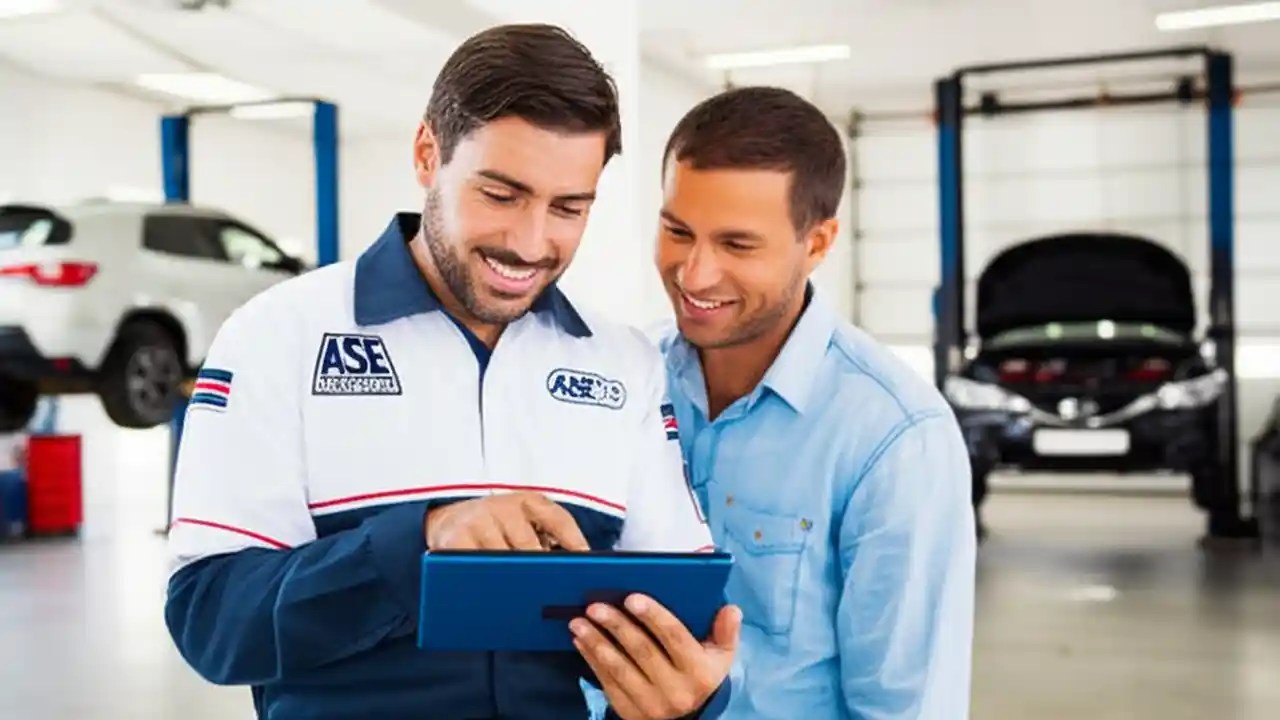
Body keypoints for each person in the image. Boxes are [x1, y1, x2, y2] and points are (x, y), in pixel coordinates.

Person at [163, 24, 737, 720]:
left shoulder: (623, 366)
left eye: (567, 208)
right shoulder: (276, 336)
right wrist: (423, 539)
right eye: (501, 194)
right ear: (427, 154)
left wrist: (684, 697)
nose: (530, 242)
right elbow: (212, 622)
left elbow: (677, 619)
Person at [653, 86, 977, 719]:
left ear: (819, 243)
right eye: (677, 231)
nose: (694, 274)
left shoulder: (897, 438)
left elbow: (904, 707)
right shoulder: (626, 385)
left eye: (737, 245)